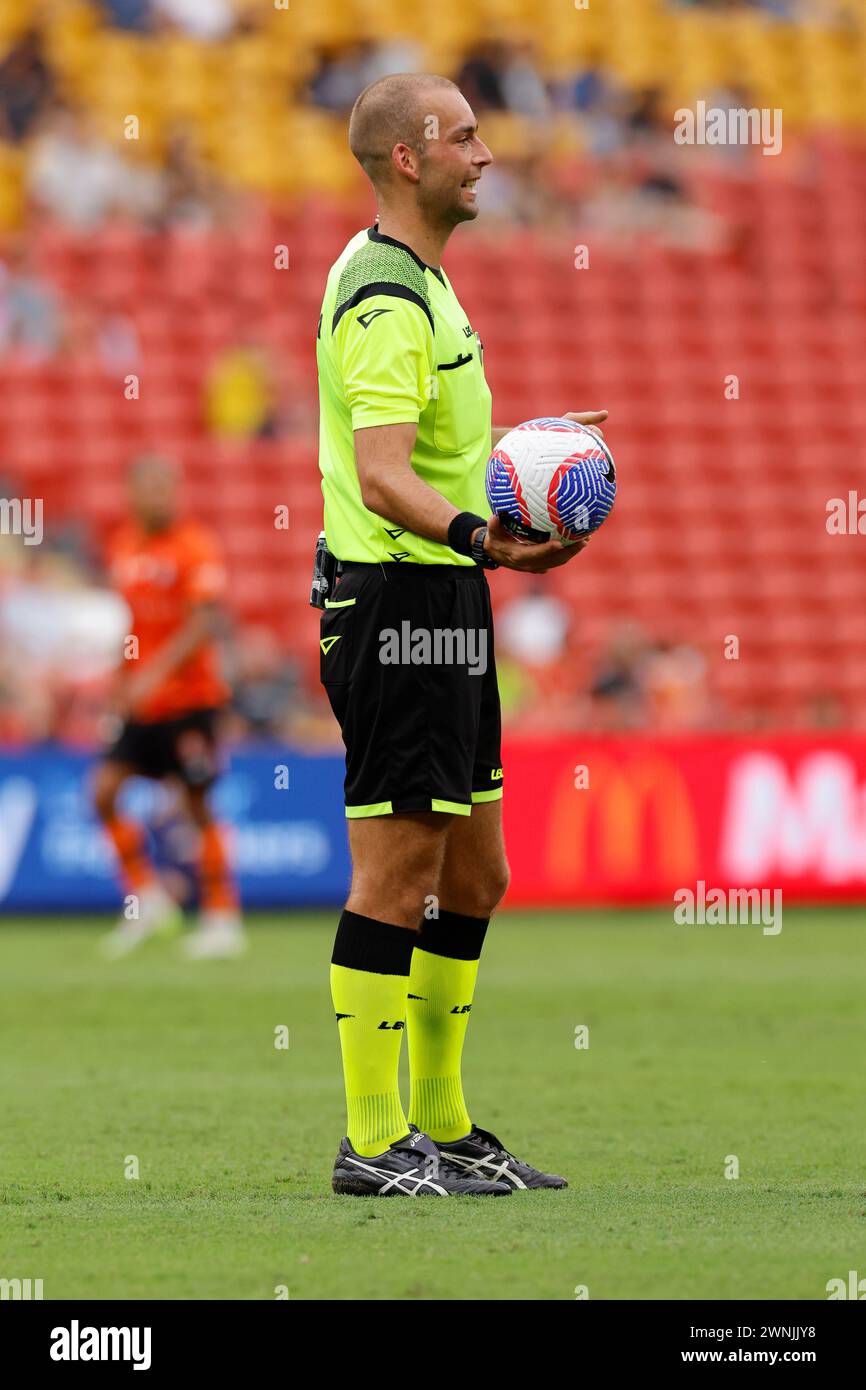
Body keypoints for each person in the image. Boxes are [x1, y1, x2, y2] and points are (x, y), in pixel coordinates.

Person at [316, 71, 608, 1195]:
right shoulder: (387, 297)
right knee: (395, 876)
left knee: (472, 872)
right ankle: (374, 1140)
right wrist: (489, 539)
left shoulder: (422, 283)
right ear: (409, 157)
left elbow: (423, 448)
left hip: (442, 597)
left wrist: (532, 449)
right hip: (398, 600)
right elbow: (386, 480)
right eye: (467, 138)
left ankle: (438, 1121)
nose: (486, 155)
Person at [94, 456, 245, 960]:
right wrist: (122, 679)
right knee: (103, 793)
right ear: (131, 493)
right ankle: (148, 899)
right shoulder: (124, 546)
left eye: (166, 487)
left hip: (190, 701)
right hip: (143, 702)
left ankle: (223, 917)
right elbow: (132, 624)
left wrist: (153, 673)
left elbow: (204, 622)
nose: (159, 497)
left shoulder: (195, 545)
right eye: (149, 487)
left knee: (199, 805)